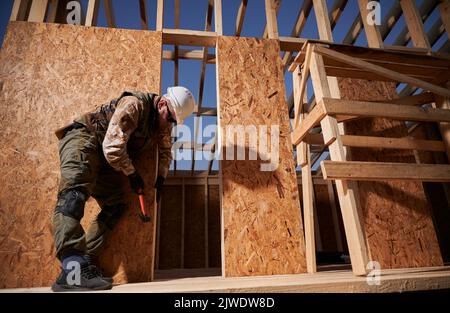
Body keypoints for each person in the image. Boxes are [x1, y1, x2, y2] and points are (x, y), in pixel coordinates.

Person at [51, 87, 195, 291]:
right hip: (84, 139)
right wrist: (133, 174)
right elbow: (112, 147)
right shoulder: (134, 105)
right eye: (170, 118)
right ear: (162, 104)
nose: (170, 124)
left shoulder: (162, 122)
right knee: (73, 196)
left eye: (174, 121)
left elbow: (165, 150)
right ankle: (72, 269)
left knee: (116, 205)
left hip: (104, 159)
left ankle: (84, 261)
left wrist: (161, 177)